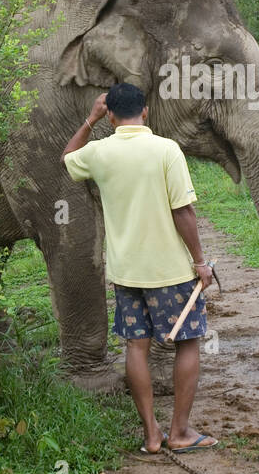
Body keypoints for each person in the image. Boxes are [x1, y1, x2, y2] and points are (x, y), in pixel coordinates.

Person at [61, 82, 217, 454]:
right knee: (188, 342)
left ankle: (151, 436)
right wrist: (199, 261)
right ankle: (179, 433)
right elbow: (183, 211)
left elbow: (68, 157)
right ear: (145, 112)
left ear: (111, 115)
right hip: (172, 272)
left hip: (126, 274)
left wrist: (89, 119)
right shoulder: (166, 150)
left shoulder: (98, 152)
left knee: (136, 346)